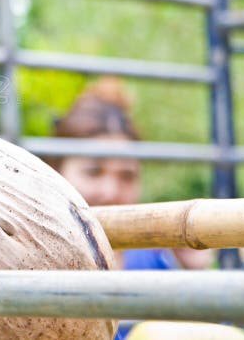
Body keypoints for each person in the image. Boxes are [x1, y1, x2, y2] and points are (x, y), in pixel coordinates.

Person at [48, 78, 213, 338]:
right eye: (93, 172)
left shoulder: (157, 258)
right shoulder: (35, 263)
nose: (111, 192)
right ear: (56, 172)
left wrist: (196, 275)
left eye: (127, 176)